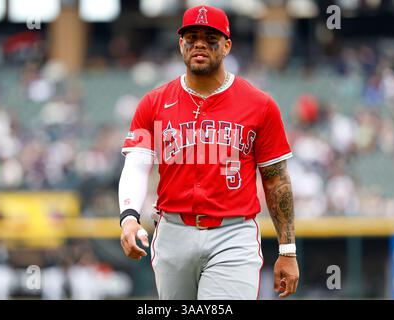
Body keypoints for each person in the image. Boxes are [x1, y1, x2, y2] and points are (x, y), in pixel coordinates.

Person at [118, 5, 299, 300]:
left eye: (210, 37)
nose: (199, 43)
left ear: (227, 46)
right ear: (181, 44)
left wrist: (287, 250)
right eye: (191, 37)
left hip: (232, 233)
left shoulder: (259, 104)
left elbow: (276, 179)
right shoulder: (153, 102)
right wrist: (128, 218)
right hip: (173, 230)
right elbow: (137, 164)